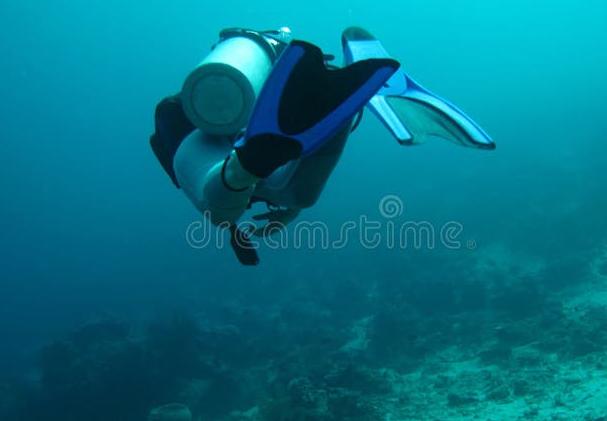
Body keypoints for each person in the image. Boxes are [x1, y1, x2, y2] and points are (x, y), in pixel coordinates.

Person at [150, 26, 495, 265]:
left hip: (189, 119)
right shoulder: (270, 180)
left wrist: (237, 227)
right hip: (247, 106)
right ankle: (339, 97)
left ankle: (338, 101)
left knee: (224, 204)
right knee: (284, 195)